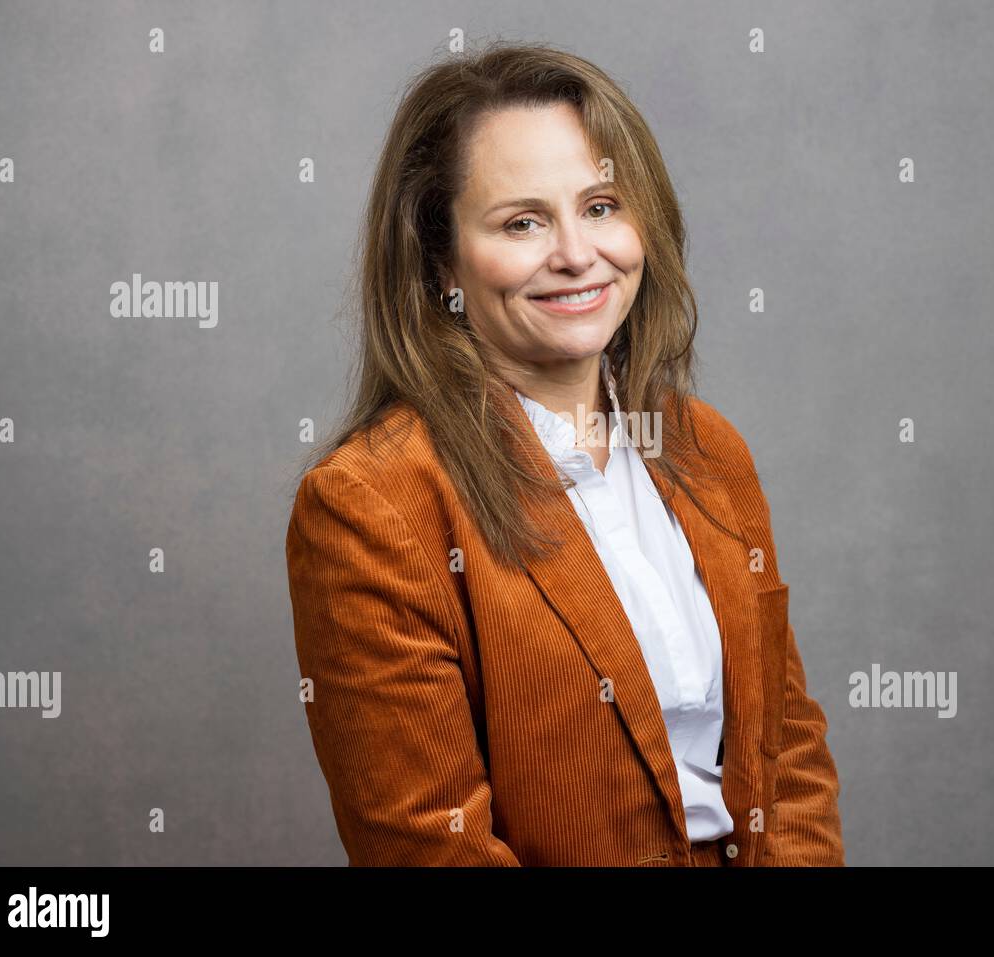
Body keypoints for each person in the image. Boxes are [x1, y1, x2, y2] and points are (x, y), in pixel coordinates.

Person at [285, 40, 844, 867]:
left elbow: (785, 748)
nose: (577, 255)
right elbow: (431, 846)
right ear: (443, 263)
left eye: (601, 206)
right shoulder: (373, 504)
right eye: (522, 221)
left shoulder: (704, 446)